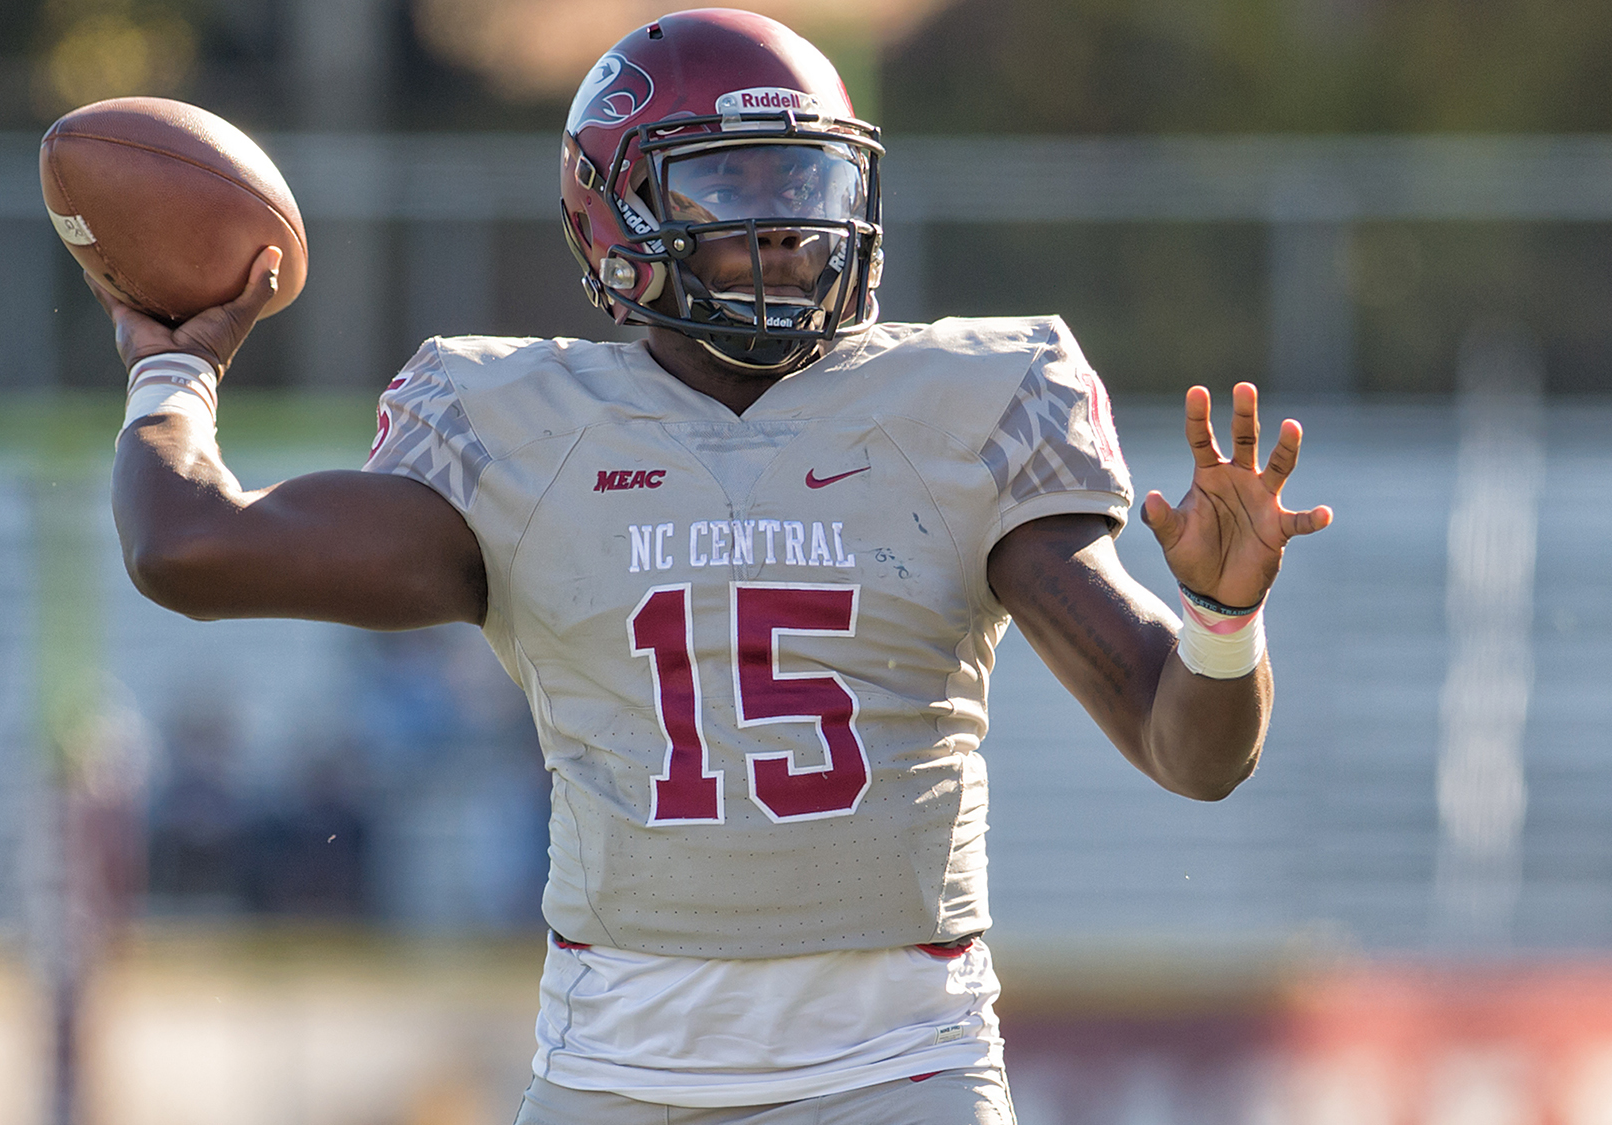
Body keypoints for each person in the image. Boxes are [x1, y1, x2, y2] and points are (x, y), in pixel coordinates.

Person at [87, 9, 1331, 1122]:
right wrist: (173, 368)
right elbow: (190, 546)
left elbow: (1191, 751)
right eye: (730, 186)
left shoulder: (957, 403)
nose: (786, 229)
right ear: (612, 214)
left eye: (807, 182)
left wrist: (1223, 619)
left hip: (897, 1064)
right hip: (615, 1067)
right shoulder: (521, 426)